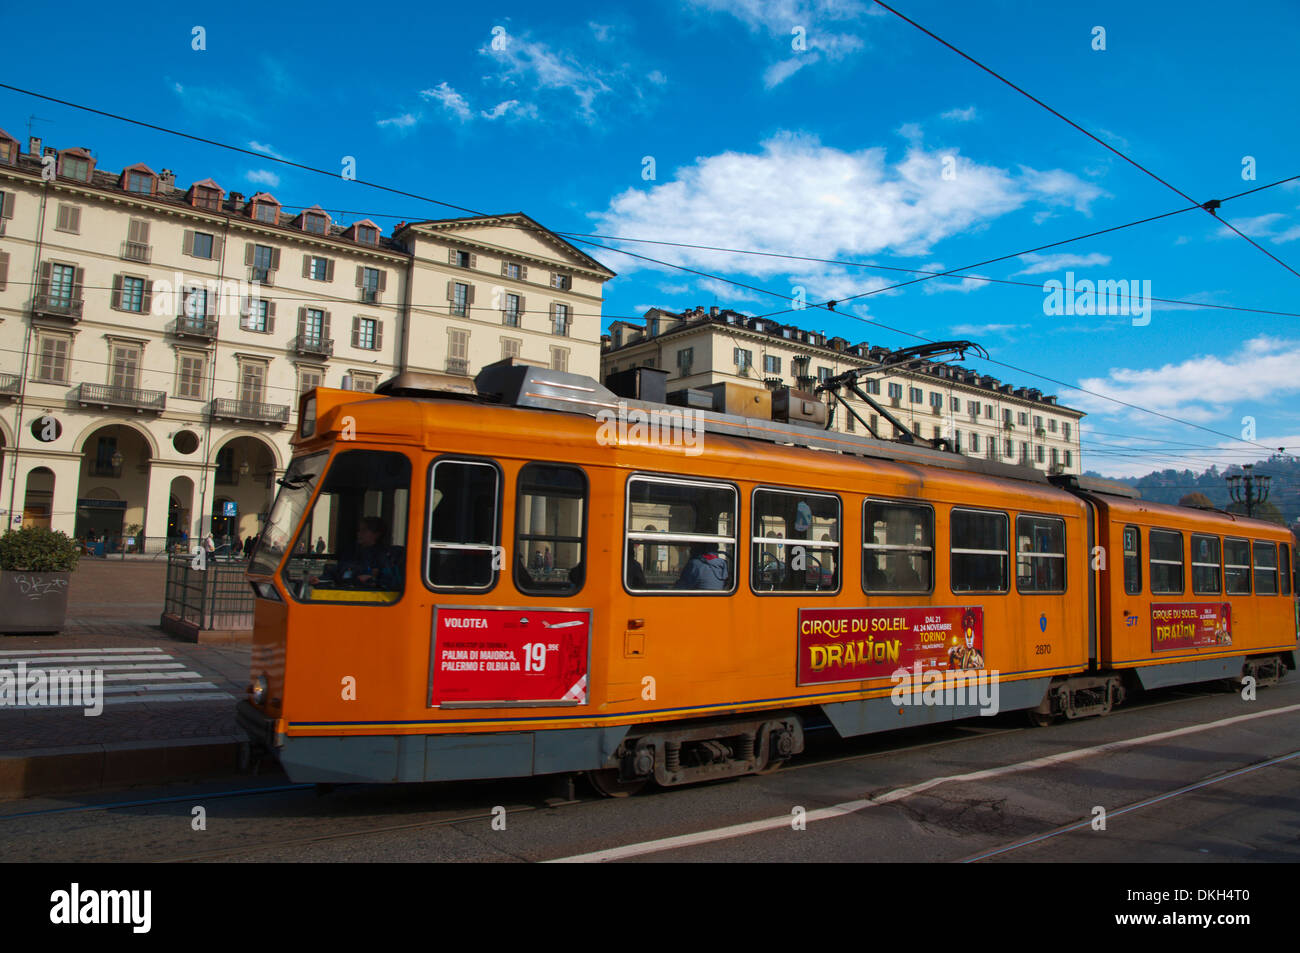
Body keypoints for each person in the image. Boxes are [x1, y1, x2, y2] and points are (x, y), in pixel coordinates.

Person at [310, 517, 402, 589]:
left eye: (364, 530)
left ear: (376, 534)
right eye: (359, 530)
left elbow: (392, 582)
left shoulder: (387, 556)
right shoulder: (352, 552)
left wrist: (372, 579)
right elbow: (337, 571)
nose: (359, 534)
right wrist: (320, 580)